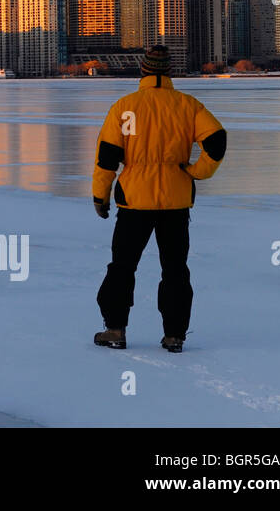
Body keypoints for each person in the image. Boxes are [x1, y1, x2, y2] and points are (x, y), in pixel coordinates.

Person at [90, 45, 227, 352]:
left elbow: (108, 158)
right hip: (175, 202)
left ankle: (115, 330)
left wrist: (100, 196)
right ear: (168, 73)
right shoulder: (187, 106)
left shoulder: (126, 108)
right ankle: (175, 335)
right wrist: (196, 172)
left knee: (122, 267)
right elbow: (217, 140)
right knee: (175, 269)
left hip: (134, 202)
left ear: (143, 71)